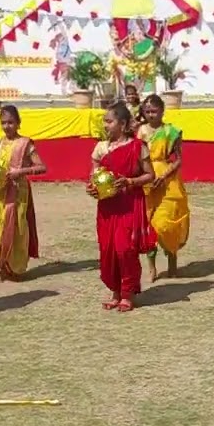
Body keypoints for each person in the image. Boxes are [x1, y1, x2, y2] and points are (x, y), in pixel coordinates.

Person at [85, 102, 156, 312]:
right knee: (108, 250)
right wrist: (91, 189)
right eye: (104, 121)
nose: (106, 125)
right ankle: (115, 292)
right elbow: (93, 177)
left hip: (129, 205)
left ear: (123, 123)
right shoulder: (100, 148)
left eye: (109, 121)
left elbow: (150, 175)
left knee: (124, 249)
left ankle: (127, 293)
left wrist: (130, 182)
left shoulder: (137, 147)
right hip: (107, 207)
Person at [0, 104, 46, 281]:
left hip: (16, 192)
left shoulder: (25, 144)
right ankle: (1, 260)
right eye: (3, 123)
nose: (7, 126)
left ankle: (13, 268)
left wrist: (20, 172)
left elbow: (41, 167)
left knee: (15, 231)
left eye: (10, 122)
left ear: (18, 123)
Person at [139, 94, 191, 281]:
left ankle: (172, 262)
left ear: (162, 111)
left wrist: (164, 175)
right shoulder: (138, 132)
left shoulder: (172, 132)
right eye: (147, 111)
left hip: (168, 183)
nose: (151, 115)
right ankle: (151, 267)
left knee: (167, 224)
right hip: (145, 181)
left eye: (154, 111)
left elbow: (178, 159)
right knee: (148, 226)